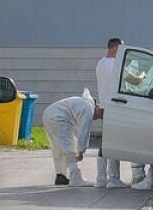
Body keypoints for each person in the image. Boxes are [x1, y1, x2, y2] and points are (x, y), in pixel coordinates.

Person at [42, 91, 95, 186]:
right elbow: (84, 131)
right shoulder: (88, 109)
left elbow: (77, 130)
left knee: (58, 147)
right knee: (69, 146)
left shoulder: (80, 102)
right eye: (100, 115)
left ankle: (60, 176)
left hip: (48, 113)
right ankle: (76, 178)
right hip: (59, 116)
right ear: (98, 106)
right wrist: (81, 151)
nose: (97, 118)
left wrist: (79, 148)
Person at [93, 38, 125, 188]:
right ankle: (113, 178)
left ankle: (101, 178)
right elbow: (130, 80)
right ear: (116, 48)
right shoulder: (115, 64)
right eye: (122, 48)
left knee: (106, 142)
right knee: (114, 142)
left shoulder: (100, 63)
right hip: (115, 107)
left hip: (105, 107)